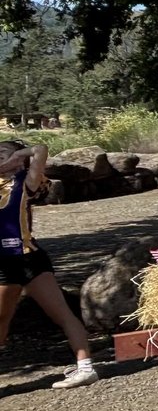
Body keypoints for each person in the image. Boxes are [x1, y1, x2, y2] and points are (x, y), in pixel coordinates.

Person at [0, 141, 98, 388]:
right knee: (1, 318)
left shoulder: (27, 180)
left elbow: (41, 148)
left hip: (29, 257)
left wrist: (18, 156)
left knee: (62, 313)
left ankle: (86, 368)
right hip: (2, 262)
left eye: (3, 153)